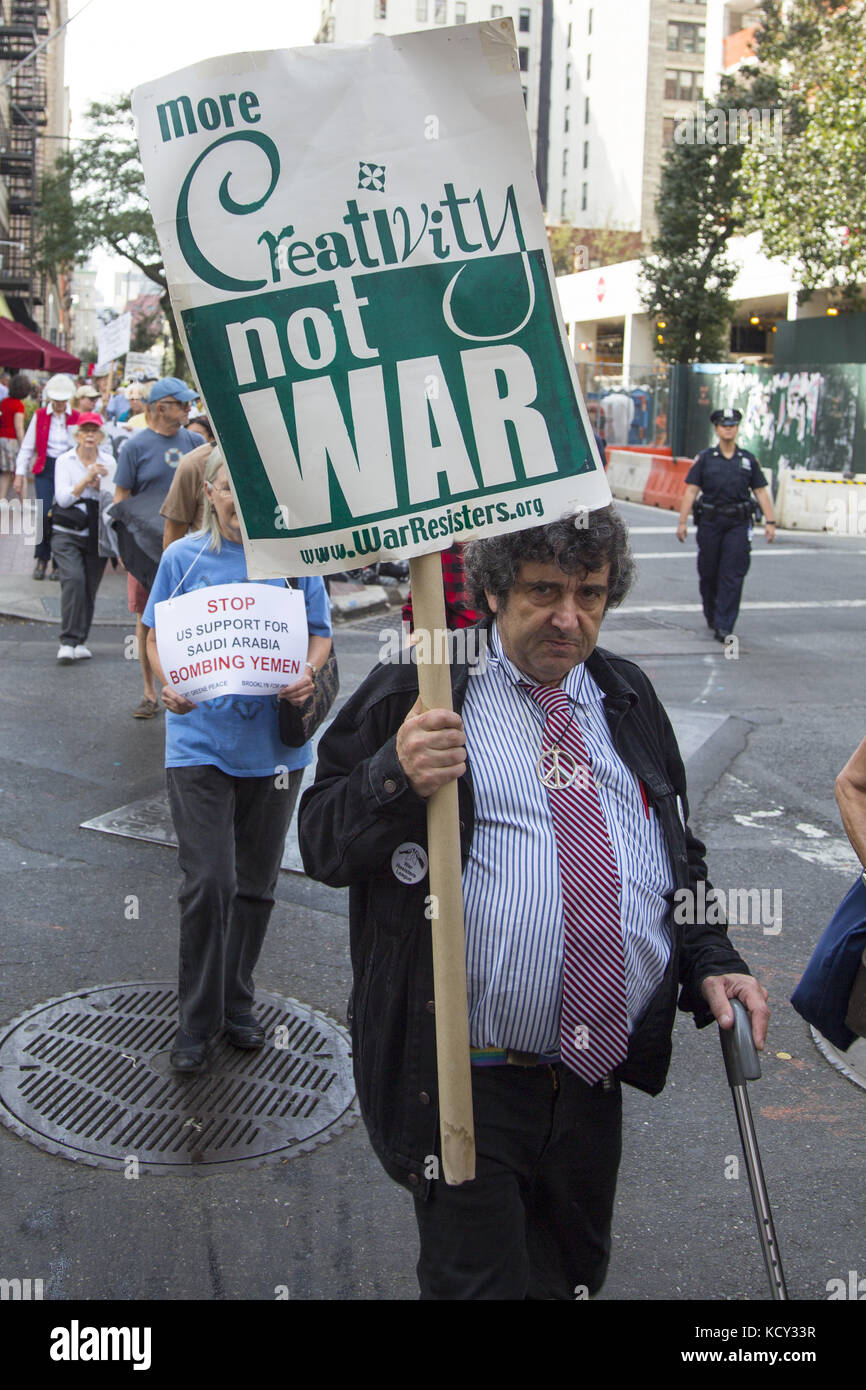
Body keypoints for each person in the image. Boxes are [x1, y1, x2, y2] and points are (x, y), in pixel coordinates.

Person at [298, 509, 770, 1300]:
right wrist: (393, 773)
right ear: (491, 591)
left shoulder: (625, 695)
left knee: (571, 1280)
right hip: (464, 1082)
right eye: (543, 591)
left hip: (590, 1086)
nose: (568, 616)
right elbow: (321, 842)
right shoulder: (424, 687)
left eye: (589, 593)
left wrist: (712, 960)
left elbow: (675, 854)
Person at [142, 447, 332, 1073]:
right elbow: (153, 635)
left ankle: (236, 1001)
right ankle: (194, 1021)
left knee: (255, 885)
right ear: (210, 493)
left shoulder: (296, 562)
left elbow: (320, 632)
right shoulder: (182, 559)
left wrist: (306, 673)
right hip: (197, 743)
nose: (238, 507)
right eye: (228, 492)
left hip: (275, 750)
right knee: (209, 883)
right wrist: (165, 684)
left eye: (252, 497)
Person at [114, 377, 201, 719]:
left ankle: (193, 685)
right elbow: (121, 500)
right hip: (148, 550)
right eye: (182, 404)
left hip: (190, 549)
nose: (188, 409)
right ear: (161, 406)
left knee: (190, 618)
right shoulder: (135, 447)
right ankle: (151, 693)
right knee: (147, 620)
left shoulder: (194, 441)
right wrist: (125, 548)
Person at [676, 408, 776, 642]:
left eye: (732, 425)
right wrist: (682, 522)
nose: (728, 429)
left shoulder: (748, 460)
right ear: (717, 429)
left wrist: (770, 522)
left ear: (737, 428)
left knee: (732, 574)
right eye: (724, 425)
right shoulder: (706, 458)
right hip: (710, 523)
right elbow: (691, 490)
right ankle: (712, 614)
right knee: (708, 573)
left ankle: (725, 624)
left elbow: (760, 491)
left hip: (738, 525)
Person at [51, 413, 115, 664]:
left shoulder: (109, 461)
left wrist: (100, 485)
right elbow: (64, 498)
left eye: (94, 431)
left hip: (97, 533)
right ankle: (67, 640)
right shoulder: (64, 460)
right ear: (77, 434)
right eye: (85, 430)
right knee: (74, 580)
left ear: (101, 436)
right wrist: (86, 479)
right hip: (66, 531)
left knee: (89, 587)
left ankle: (80, 640)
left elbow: (113, 500)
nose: (89, 435)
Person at [13, 374, 80, 580]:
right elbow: (27, 447)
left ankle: (59, 561)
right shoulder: (41, 415)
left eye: (63, 401)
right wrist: (19, 474)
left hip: (68, 468)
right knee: (44, 513)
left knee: (63, 513)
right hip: (46, 467)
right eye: (56, 401)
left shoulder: (76, 417)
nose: (60, 405)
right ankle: (42, 558)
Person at [0, 372, 30, 502]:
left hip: (2, 439)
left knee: (5, 474)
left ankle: (1, 500)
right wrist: (24, 446)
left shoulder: (4, 402)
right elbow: (19, 428)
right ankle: (25, 502)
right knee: (20, 472)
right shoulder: (18, 405)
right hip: (12, 442)